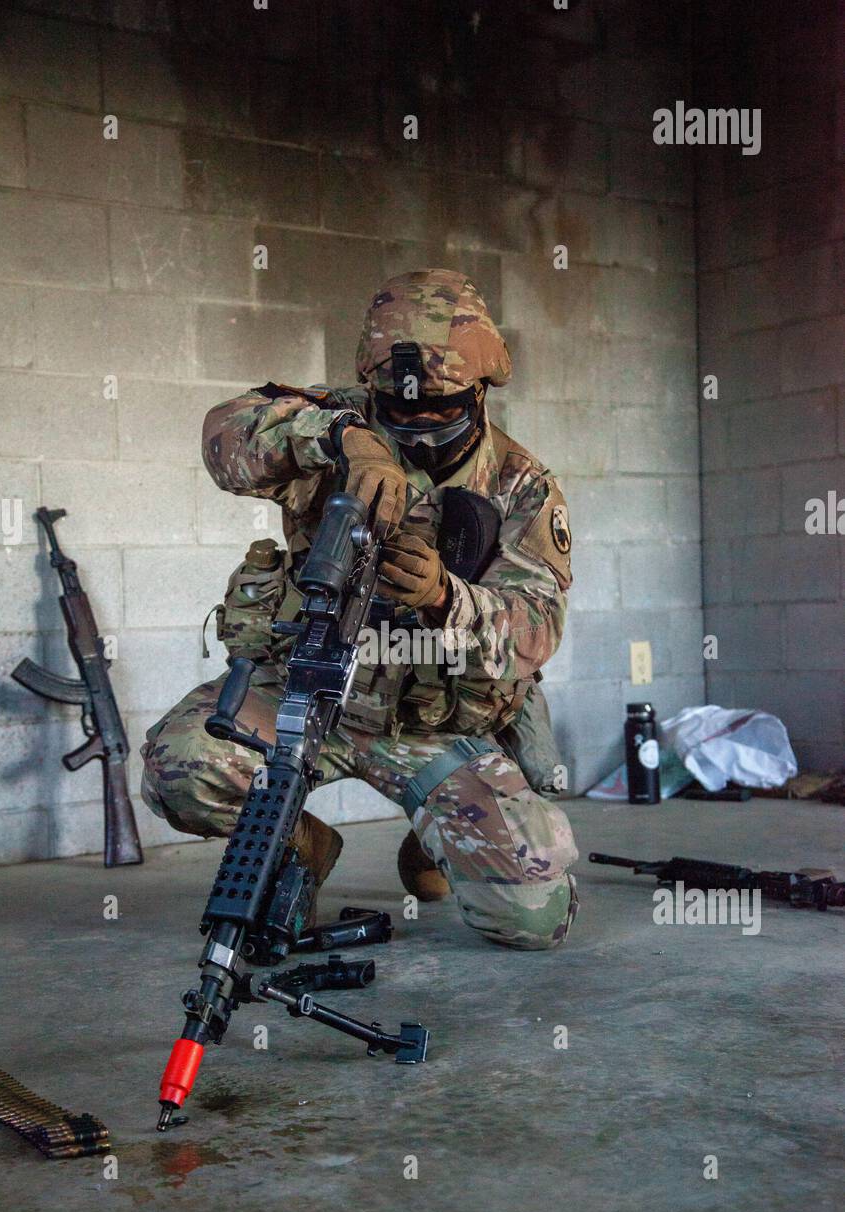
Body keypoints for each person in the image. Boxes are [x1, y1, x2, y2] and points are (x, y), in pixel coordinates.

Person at [141, 269, 578, 950]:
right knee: (184, 769)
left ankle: (432, 843)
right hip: (308, 692)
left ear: (483, 388)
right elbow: (226, 438)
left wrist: (443, 598)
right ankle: (302, 849)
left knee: (533, 916)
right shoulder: (337, 418)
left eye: (443, 406)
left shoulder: (521, 482)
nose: (420, 423)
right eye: (400, 408)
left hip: (430, 725)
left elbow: (536, 631)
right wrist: (340, 437)